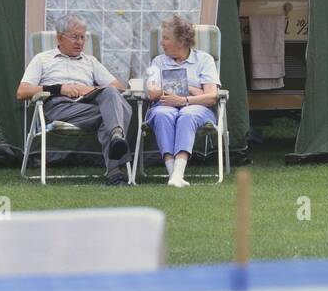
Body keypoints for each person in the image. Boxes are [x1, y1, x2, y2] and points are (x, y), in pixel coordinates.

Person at [16, 14, 133, 185]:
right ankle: (116, 158)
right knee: (116, 112)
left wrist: (88, 89)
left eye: (82, 37)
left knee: (110, 98)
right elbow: (22, 91)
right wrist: (59, 88)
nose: (80, 42)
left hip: (88, 104)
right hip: (60, 106)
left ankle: (116, 145)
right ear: (59, 37)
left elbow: (119, 87)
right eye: (75, 37)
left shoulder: (90, 61)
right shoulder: (42, 59)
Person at [145, 14, 219, 187]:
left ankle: (178, 173)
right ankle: (174, 175)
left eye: (165, 38)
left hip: (197, 107)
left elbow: (211, 96)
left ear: (181, 42)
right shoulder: (158, 61)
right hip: (164, 104)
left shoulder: (204, 59)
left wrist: (184, 99)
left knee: (187, 114)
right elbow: (152, 92)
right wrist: (191, 88)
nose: (161, 42)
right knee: (163, 115)